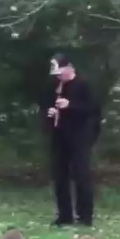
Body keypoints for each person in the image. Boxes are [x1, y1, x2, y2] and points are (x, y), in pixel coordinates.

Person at [41, 53, 99, 227]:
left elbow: (92, 109)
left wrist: (70, 105)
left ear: (68, 68)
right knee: (60, 176)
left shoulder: (83, 84)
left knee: (81, 175)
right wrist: (50, 113)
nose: (58, 77)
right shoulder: (55, 86)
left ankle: (85, 216)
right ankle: (64, 215)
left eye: (60, 73)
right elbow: (46, 106)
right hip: (59, 136)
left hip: (79, 137)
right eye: (56, 74)